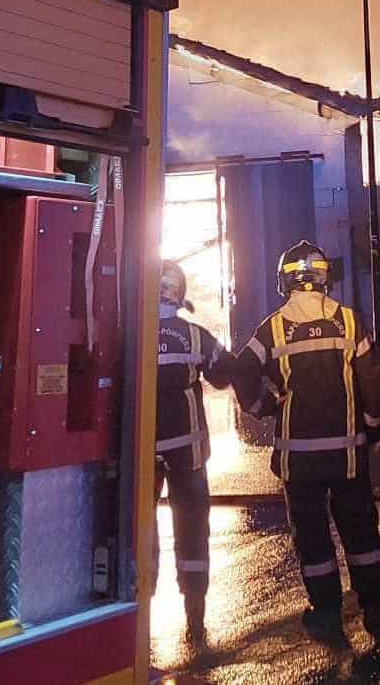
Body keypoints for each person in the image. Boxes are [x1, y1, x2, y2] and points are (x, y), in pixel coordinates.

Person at [225, 240, 380, 640]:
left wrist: (264, 404)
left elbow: (240, 370)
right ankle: (374, 606)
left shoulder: (273, 327)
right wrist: (373, 422)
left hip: (298, 463)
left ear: (284, 281)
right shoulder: (349, 322)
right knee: (360, 528)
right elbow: (374, 377)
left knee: (312, 535)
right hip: (348, 457)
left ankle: (327, 611)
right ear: (324, 278)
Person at [152, 260, 229, 639]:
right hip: (189, 457)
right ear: (179, 294)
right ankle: (194, 619)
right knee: (193, 530)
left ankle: (138, 612)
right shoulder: (195, 336)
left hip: (142, 457)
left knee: (139, 532)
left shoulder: (129, 333)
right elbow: (224, 374)